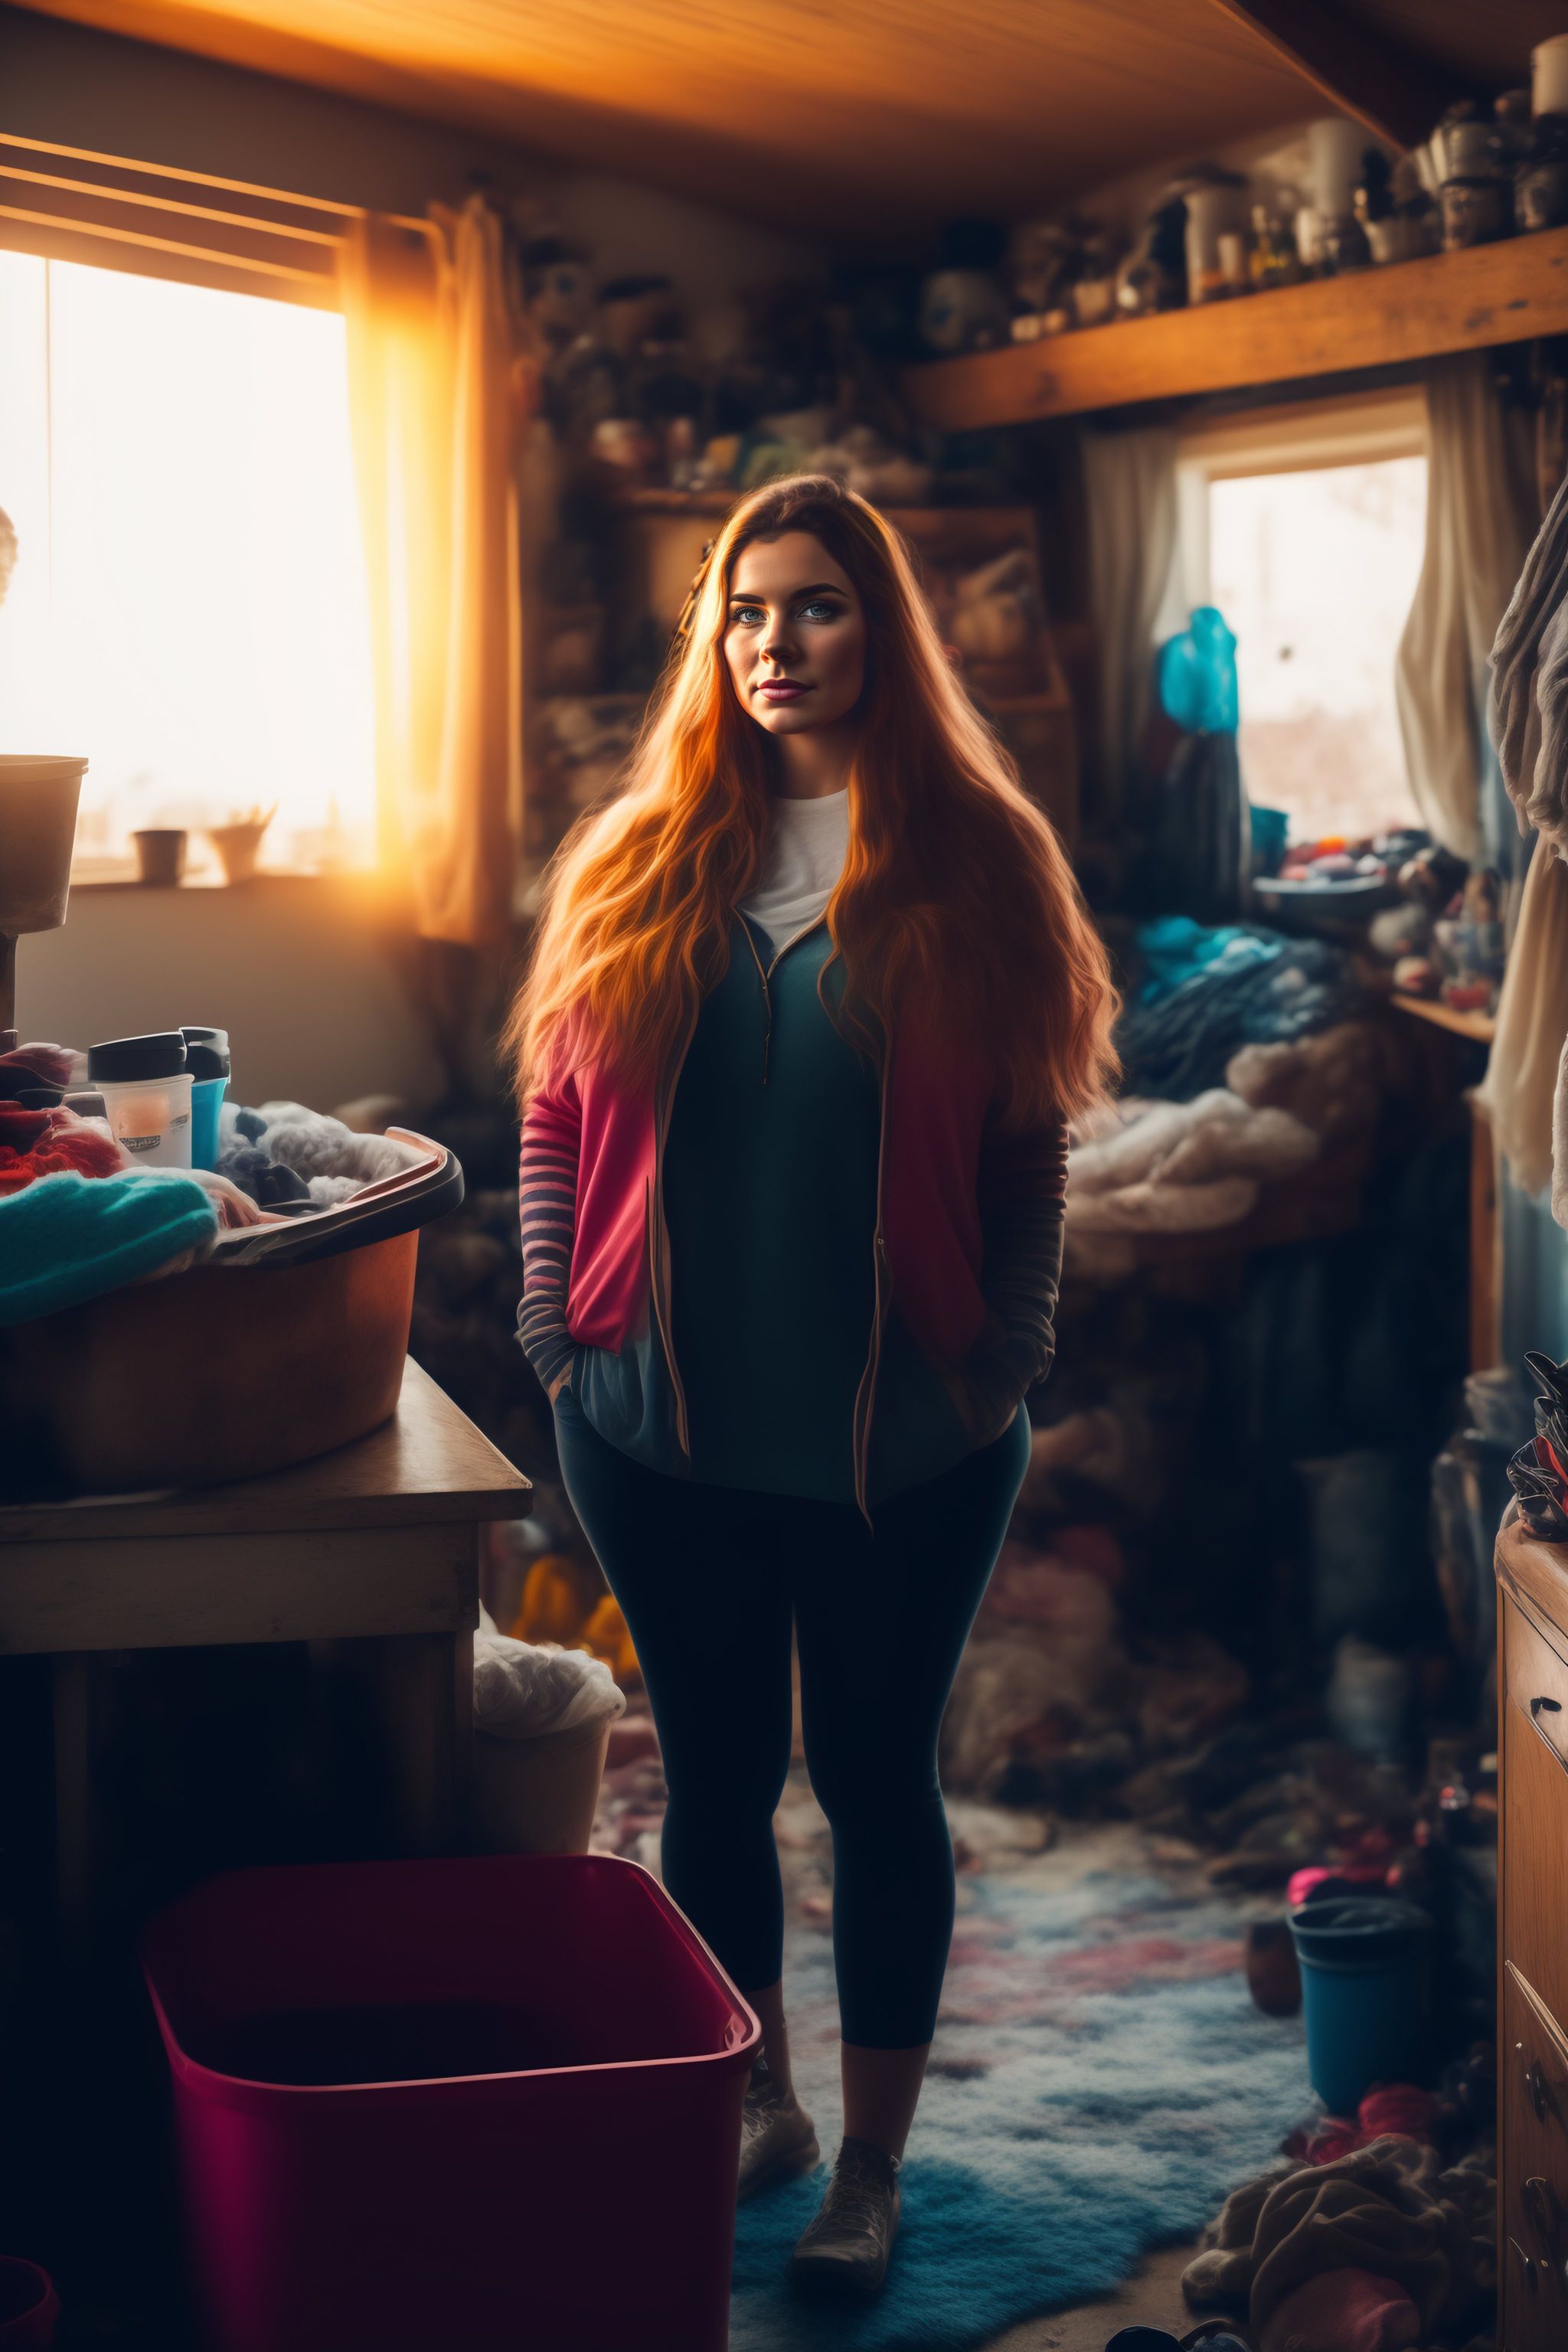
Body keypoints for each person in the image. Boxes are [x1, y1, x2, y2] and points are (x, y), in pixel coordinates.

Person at [510, 475, 1117, 2298]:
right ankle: (757, 2093)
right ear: (716, 637)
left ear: (883, 630)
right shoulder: (634, 853)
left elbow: (1032, 1148)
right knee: (704, 1779)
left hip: (909, 1444)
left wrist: (1004, 1355)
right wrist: (556, 1324)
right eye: (748, 612)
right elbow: (551, 1113)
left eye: (820, 608)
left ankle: (868, 2166)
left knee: (871, 1780)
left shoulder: (978, 861)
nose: (778, 643)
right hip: (652, 1433)